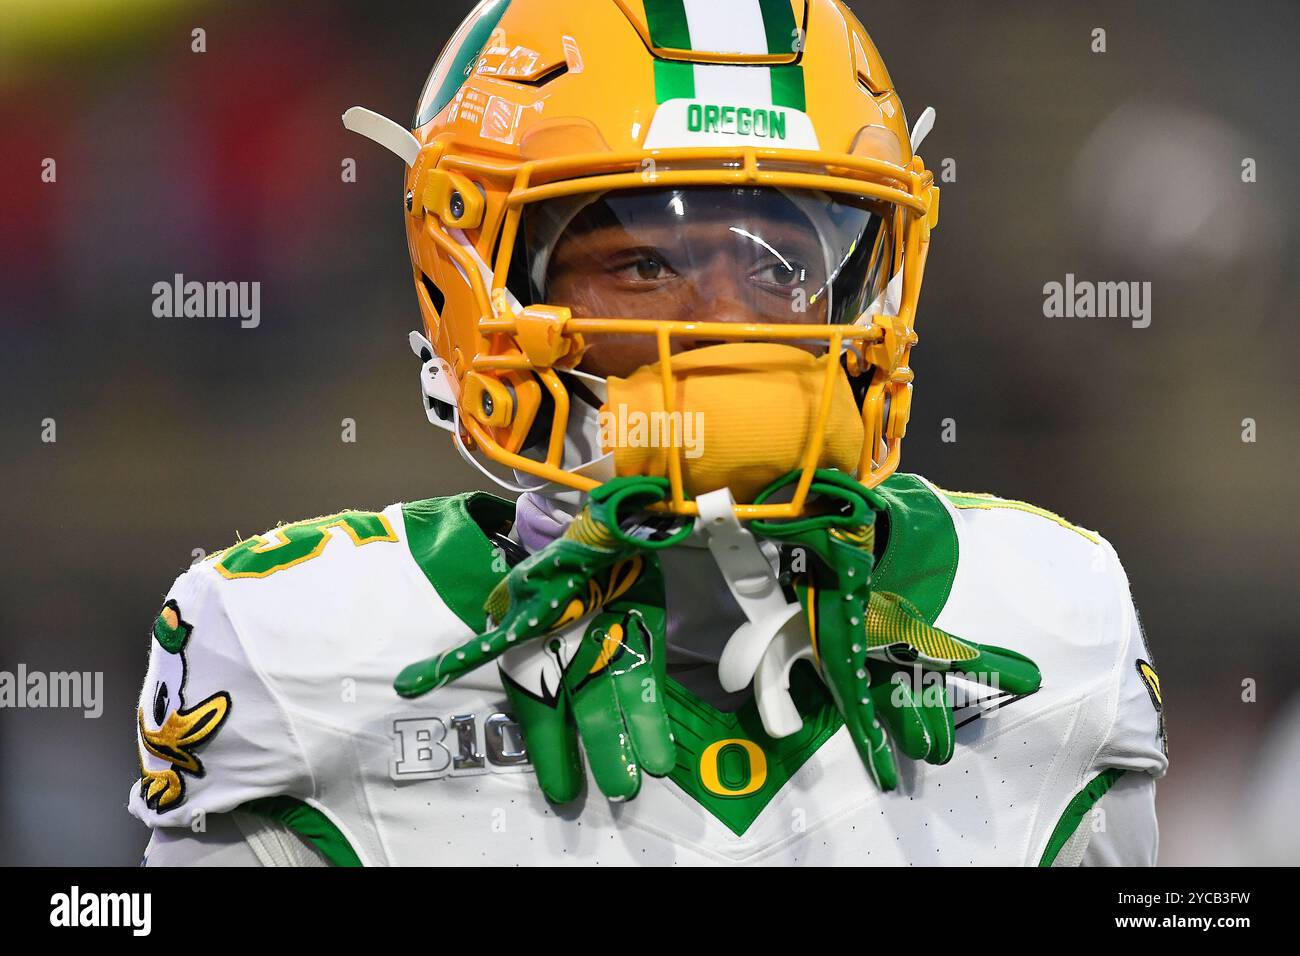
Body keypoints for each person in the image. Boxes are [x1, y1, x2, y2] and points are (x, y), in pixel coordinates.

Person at [132, 0, 1167, 866]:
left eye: (777, 266)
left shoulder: (1052, 619)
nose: (726, 322)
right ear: (475, 291)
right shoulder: (290, 646)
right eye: (645, 264)